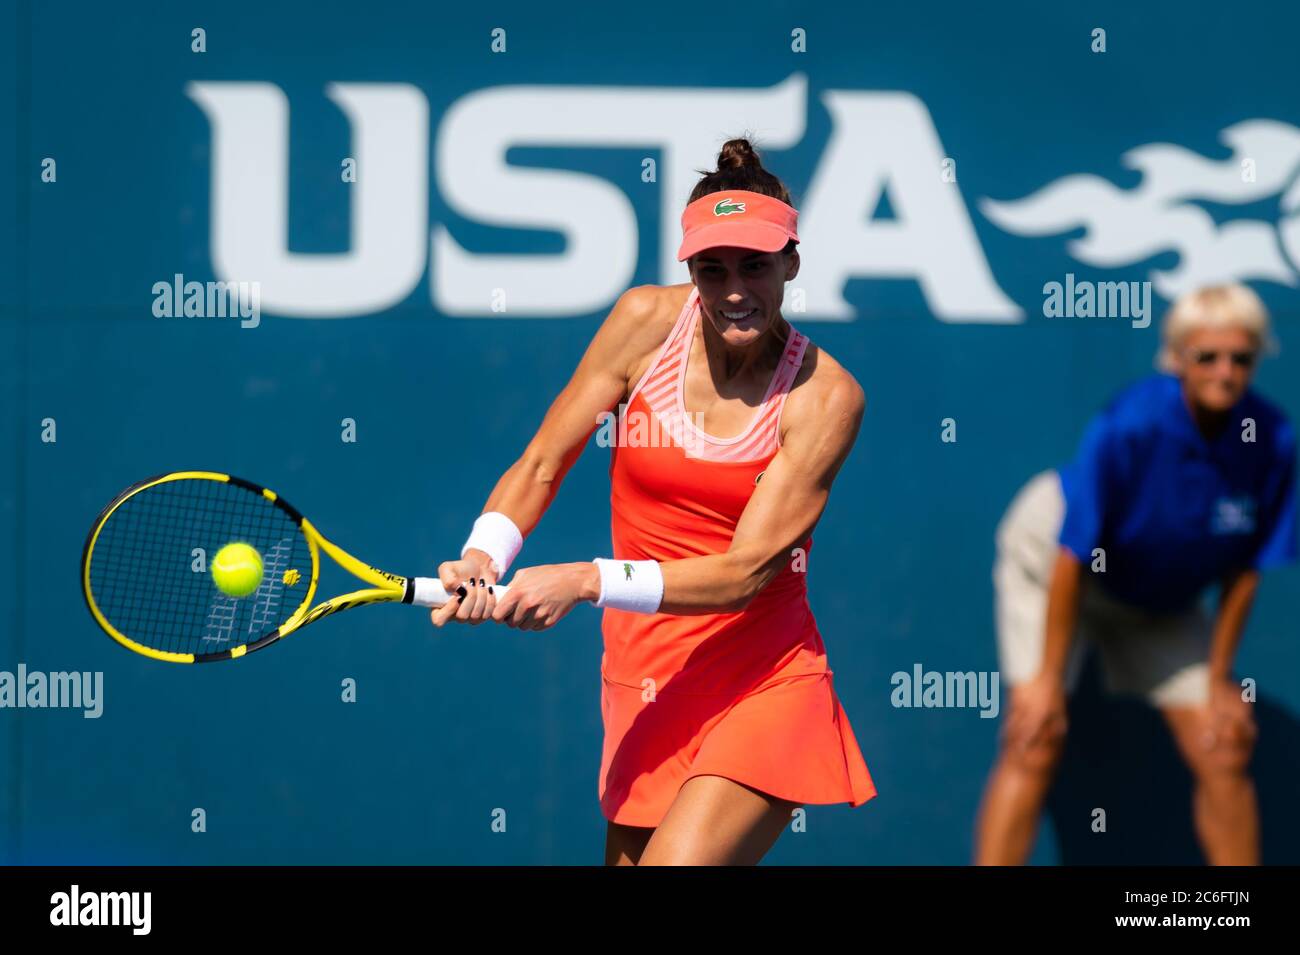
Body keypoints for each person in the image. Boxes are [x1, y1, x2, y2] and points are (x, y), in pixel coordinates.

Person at [430, 138, 877, 865]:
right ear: (690, 270)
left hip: (762, 674)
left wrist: (584, 579)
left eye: (756, 265)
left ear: (791, 261)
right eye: (712, 268)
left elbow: (744, 574)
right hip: (643, 672)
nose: (735, 289)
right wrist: (485, 553)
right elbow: (544, 459)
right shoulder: (643, 322)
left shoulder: (827, 397)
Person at [975, 284, 1297, 865]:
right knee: (1034, 736)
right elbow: (1076, 551)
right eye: (1207, 356)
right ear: (1177, 358)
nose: (1225, 372)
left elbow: (1246, 569)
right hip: (1055, 560)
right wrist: (1047, 680)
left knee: (1222, 745)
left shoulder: (1272, 440)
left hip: (1155, 599)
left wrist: (1222, 678)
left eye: (1240, 358)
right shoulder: (1132, 424)